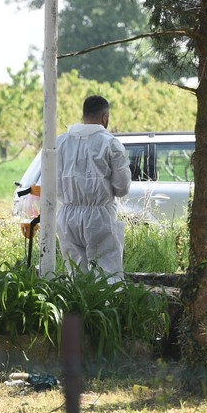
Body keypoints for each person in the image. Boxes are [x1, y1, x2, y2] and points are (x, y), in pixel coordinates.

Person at [56, 95, 132, 280]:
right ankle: (104, 309)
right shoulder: (110, 143)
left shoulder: (60, 142)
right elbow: (122, 187)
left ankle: (76, 308)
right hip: (100, 218)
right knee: (107, 274)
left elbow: (52, 180)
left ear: (84, 115)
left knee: (75, 275)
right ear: (104, 117)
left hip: (67, 216)